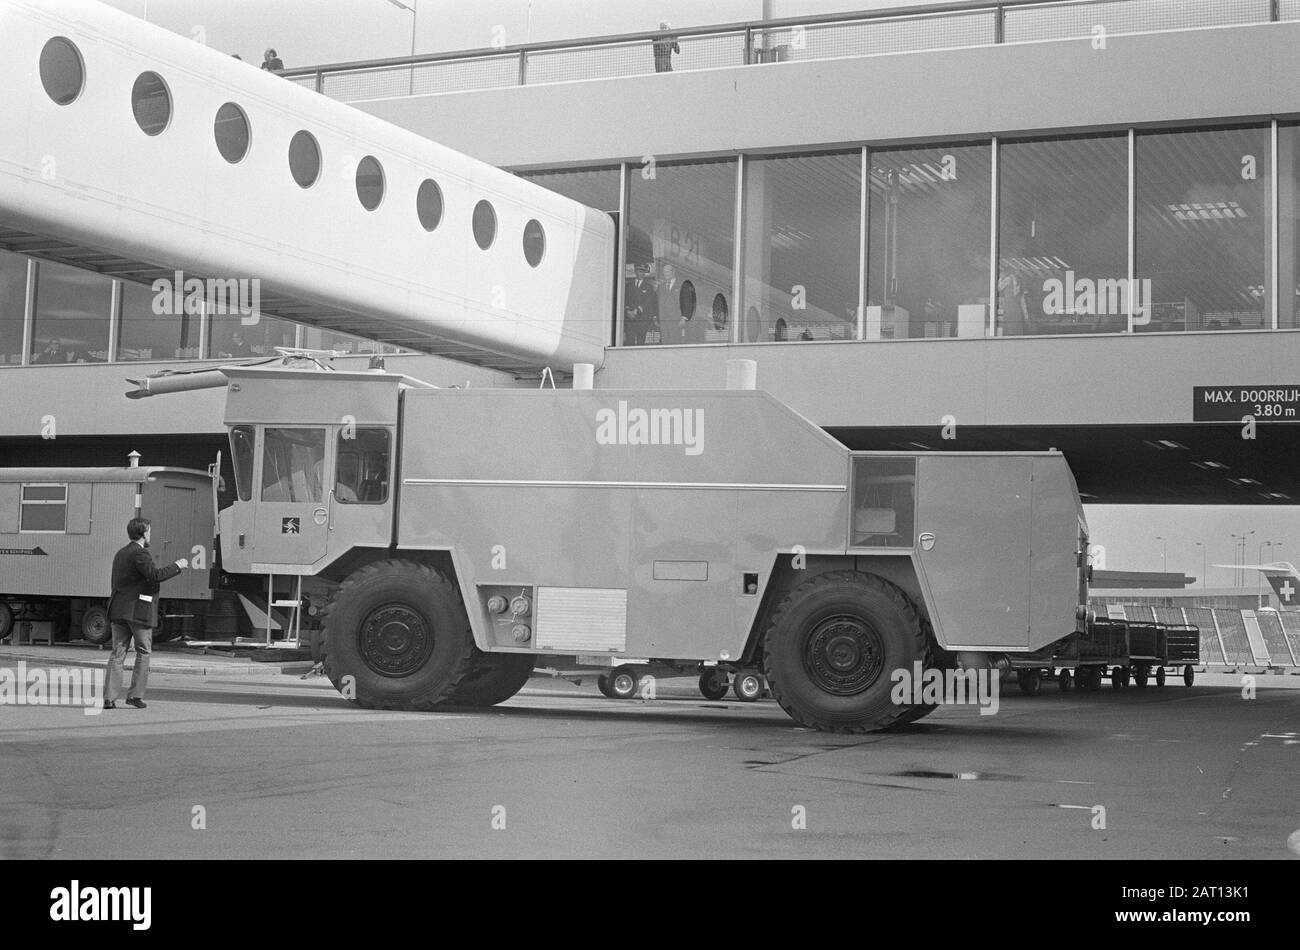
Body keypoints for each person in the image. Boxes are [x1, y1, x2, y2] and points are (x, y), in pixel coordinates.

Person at [104, 518, 187, 710]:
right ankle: (135, 696)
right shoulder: (140, 553)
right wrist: (178, 565)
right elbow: (154, 575)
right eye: (149, 531)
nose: (150, 535)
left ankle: (109, 698)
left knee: (117, 653)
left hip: (117, 609)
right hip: (138, 611)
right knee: (143, 652)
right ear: (143, 533)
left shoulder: (120, 553)